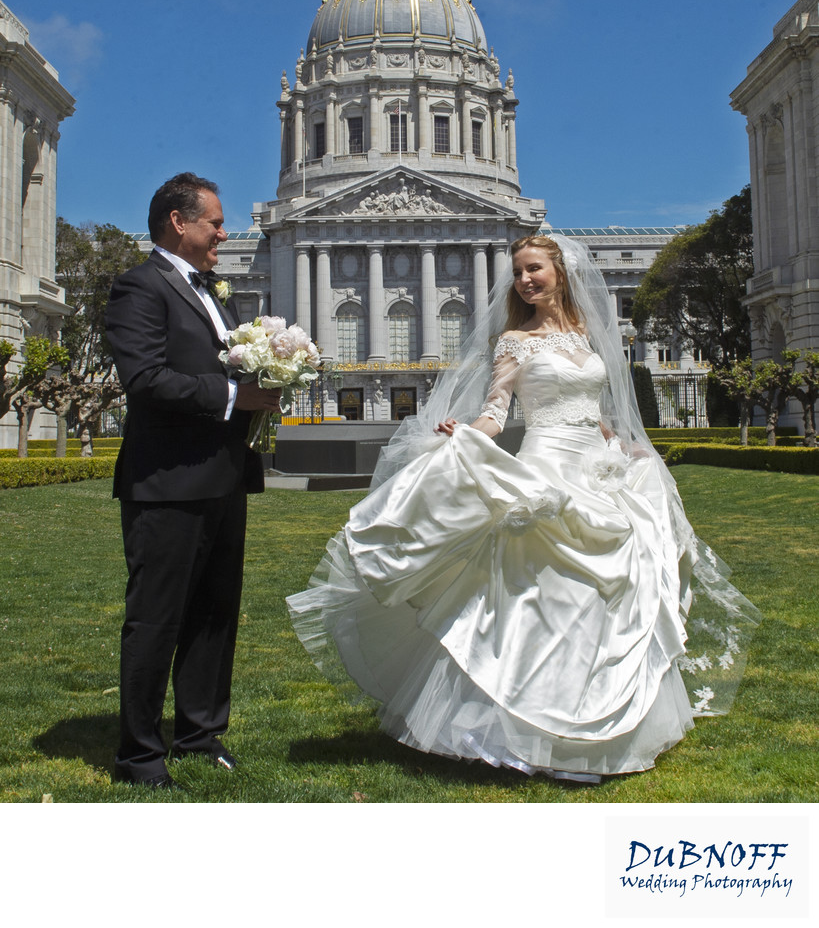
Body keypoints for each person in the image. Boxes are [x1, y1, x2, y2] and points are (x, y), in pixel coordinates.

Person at [287, 234, 759, 782]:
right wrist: (467, 432)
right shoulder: (513, 341)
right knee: (540, 594)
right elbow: (496, 411)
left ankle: (592, 710)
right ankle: (510, 724)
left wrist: (623, 449)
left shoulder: (588, 336)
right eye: (517, 272)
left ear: (562, 271)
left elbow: (597, 411)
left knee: (606, 593)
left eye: (533, 268)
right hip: (545, 469)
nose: (524, 279)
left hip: (595, 470)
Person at [105, 173, 280, 788]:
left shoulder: (215, 292)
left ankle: (201, 734)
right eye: (214, 223)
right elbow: (146, 379)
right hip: (168, 480)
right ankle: (140, 755)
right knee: (157, 618)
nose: (223, 233)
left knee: (214, 614)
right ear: (179, 223)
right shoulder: (139, 288)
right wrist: (238, 396)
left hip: (223, 476)